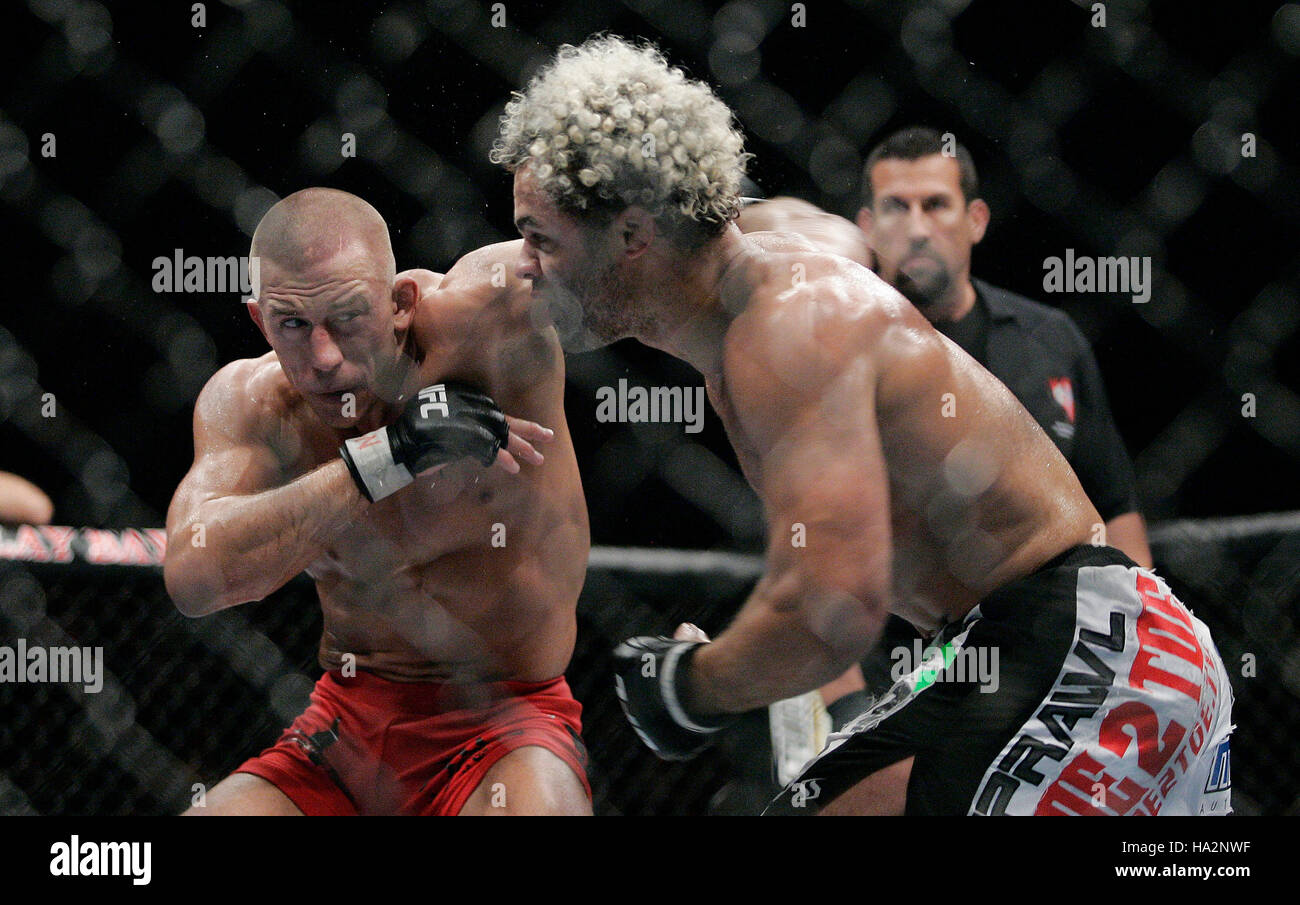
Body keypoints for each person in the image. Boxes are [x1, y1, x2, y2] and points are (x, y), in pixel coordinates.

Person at [493, 36, 1233, 815]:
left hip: (1088, 647)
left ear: (634, 233)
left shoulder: (787, 325)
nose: (524, 263)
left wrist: (690, 684)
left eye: (539, 236)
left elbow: (833, 607)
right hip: (1007, 647)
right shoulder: (759, 284)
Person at [163, 188, 593, 816]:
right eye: (293, 325)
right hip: (341, 731)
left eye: (347, 318)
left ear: (400, 302)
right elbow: (193, 579)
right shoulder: (253, 406)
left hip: (505, 723)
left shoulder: (480, 323)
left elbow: (626, 245)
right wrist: (385, 457)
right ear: (259, 320)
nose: (324, 358)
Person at [857, 127, 1152, 567]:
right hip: (891, 621)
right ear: (868, 228)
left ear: (976, 220)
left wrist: (1144, 621)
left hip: (1047, 619)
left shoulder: (1050, 338)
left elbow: (1114, 508)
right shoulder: (844, 348)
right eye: (896, 207)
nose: (917, 228)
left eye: (935, 205)